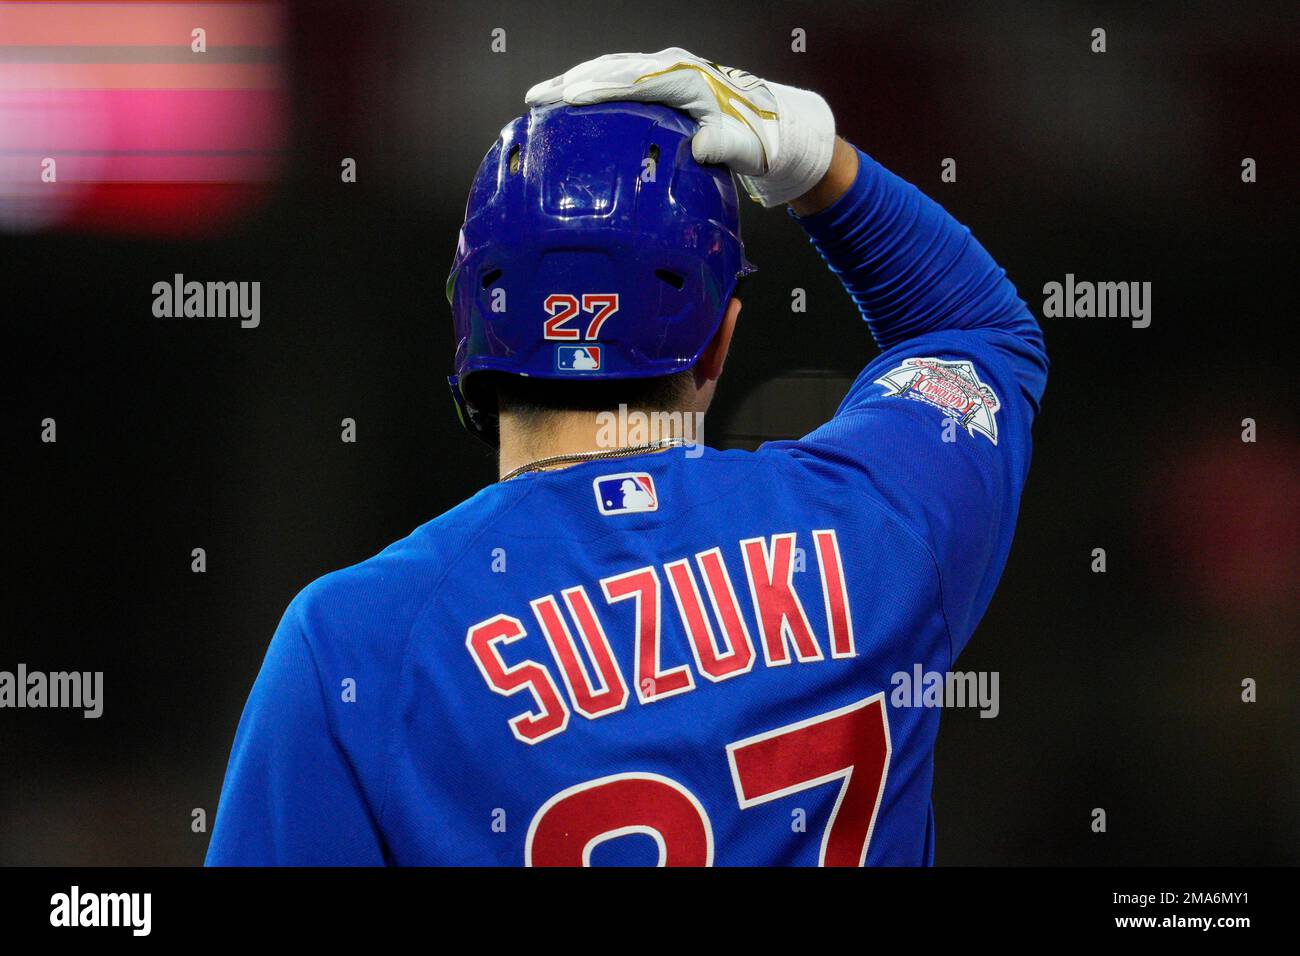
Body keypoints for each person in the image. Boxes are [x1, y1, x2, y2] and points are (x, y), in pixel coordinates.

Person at [207, 48, 1048, 866]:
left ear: (473, 327)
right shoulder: (871, 527)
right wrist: (811, 159)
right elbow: (976, 331)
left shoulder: (354, 643)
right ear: (718, 340)